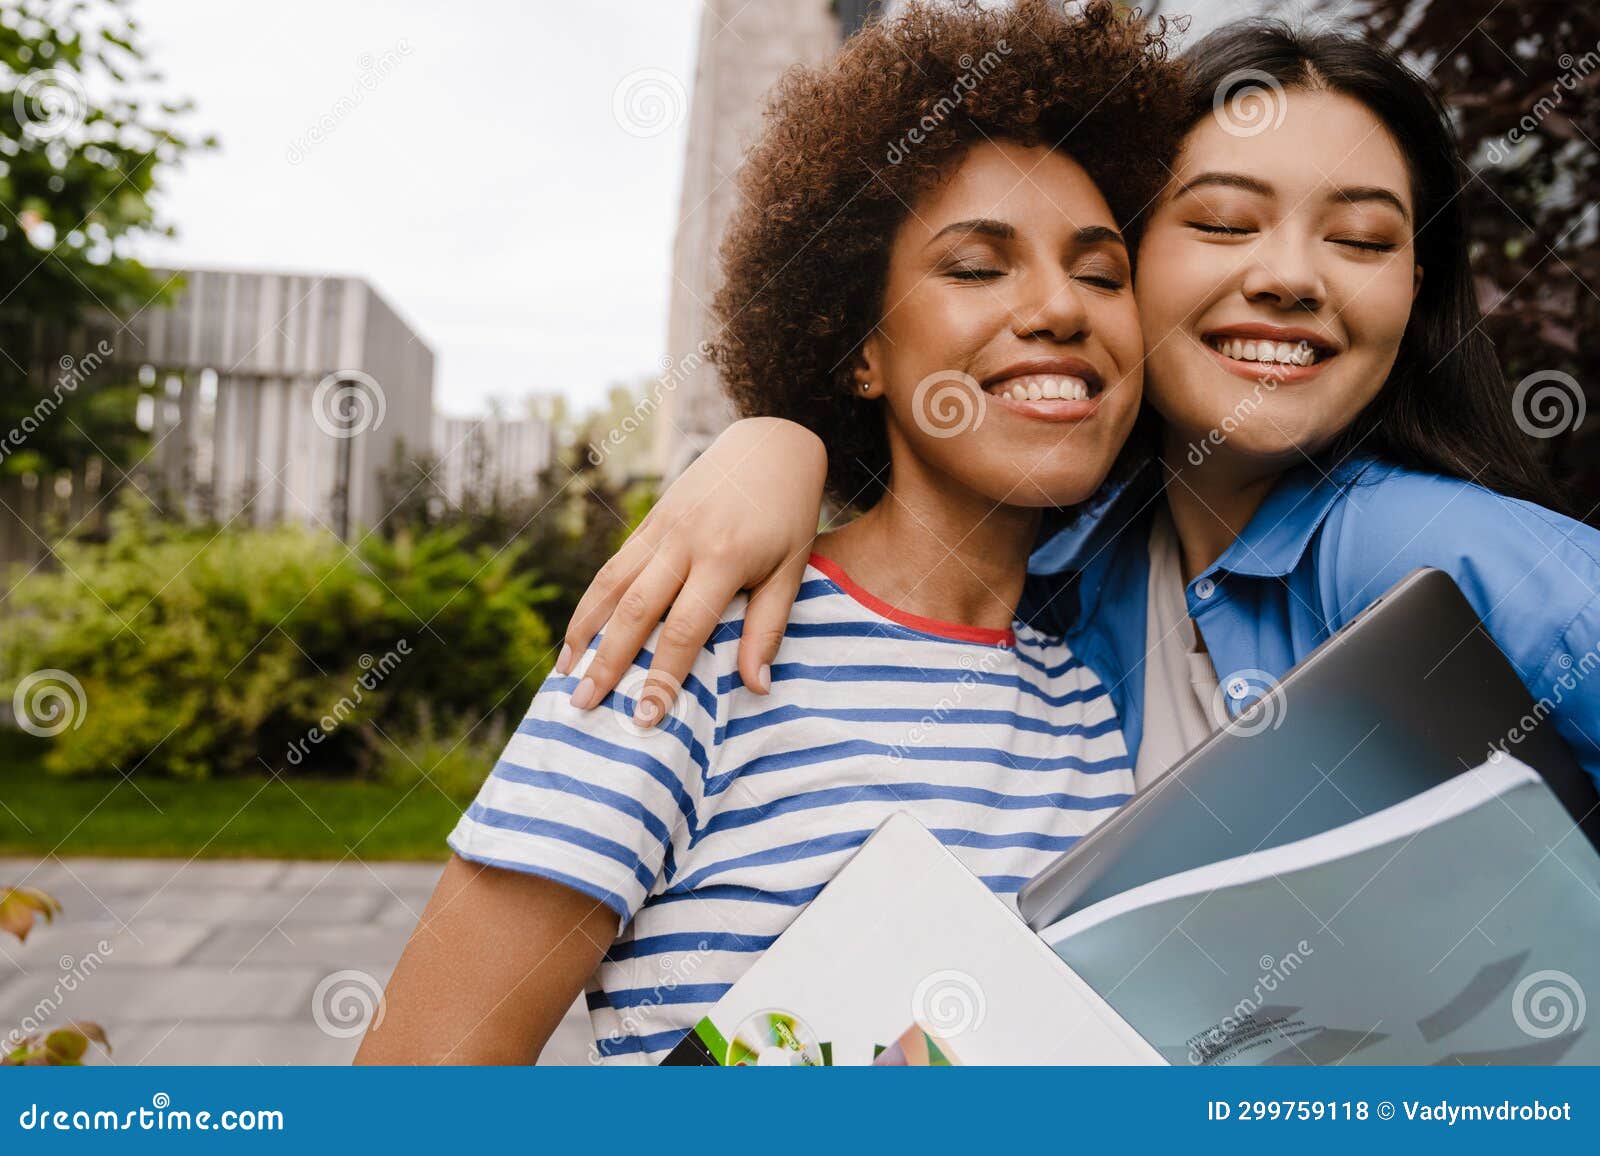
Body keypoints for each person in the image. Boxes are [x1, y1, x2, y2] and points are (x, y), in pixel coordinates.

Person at [358, 0, 1185, 1066]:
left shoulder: (1086, 706)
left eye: (1101, 271)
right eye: (976, 266)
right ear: (859, 352)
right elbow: (419, 1082)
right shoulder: (687, 635)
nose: (1061, 307)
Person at [560, 20, 1600, 803]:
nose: (1289, 276)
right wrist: (774, 441)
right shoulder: (1059, 582)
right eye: (1225, 222)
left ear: (1415, 290)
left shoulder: (1432, 553)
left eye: (1363, 241)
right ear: (1126, 258)